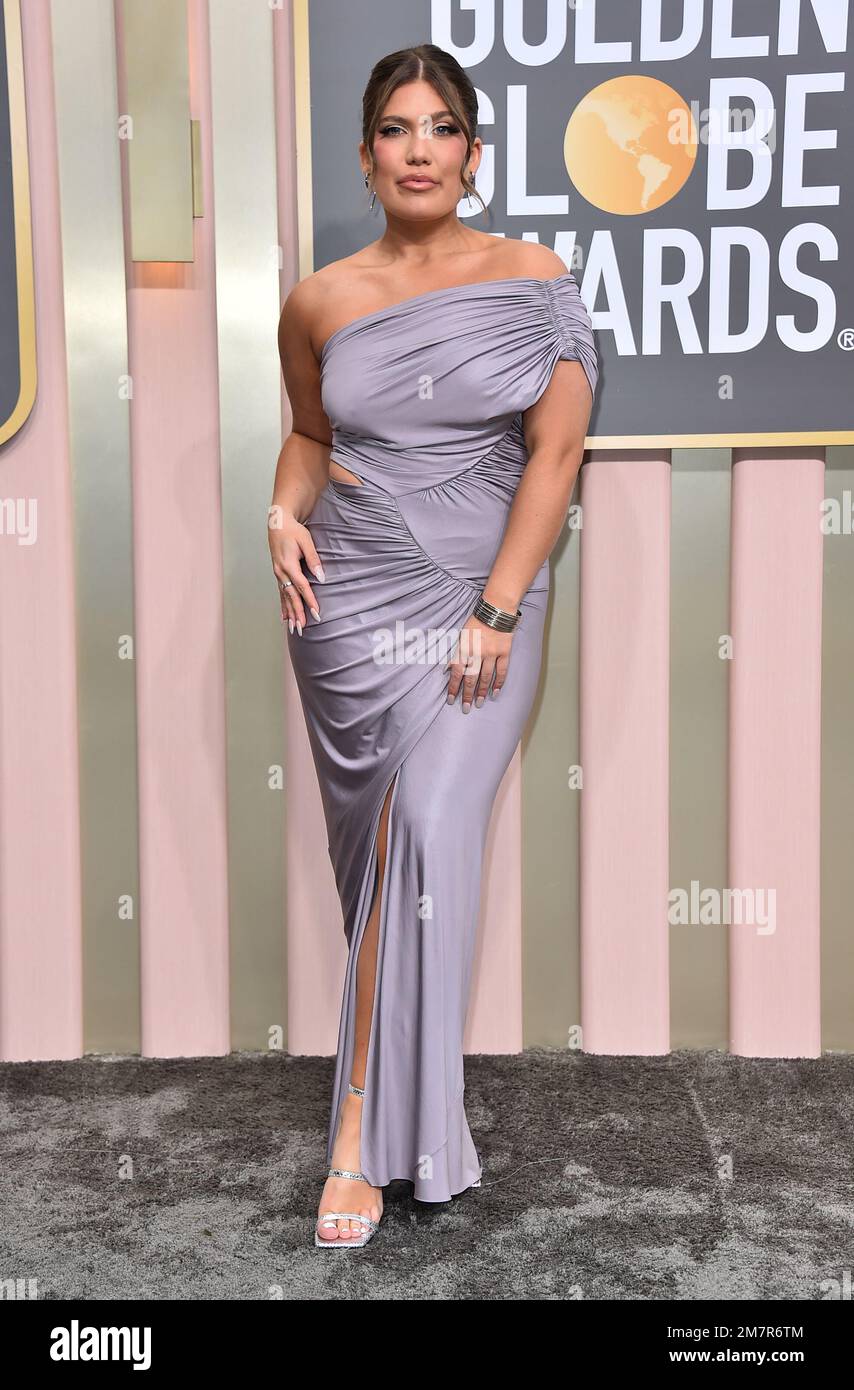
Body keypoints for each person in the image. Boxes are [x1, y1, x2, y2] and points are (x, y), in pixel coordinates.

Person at [271, 43, 598, 1249]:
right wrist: (276, 509)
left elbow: (554, 456)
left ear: (470, 151)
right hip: (347, 602)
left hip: (477, 595)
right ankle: (370, 1122)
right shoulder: (320, 297)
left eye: (442, 127)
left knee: (431, 830)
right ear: (366, 153)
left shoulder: (532, 280)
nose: (419, 148)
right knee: (376, 862)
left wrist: (498, 605)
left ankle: (366, 1131)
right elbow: (307, 435)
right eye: (397, 128)